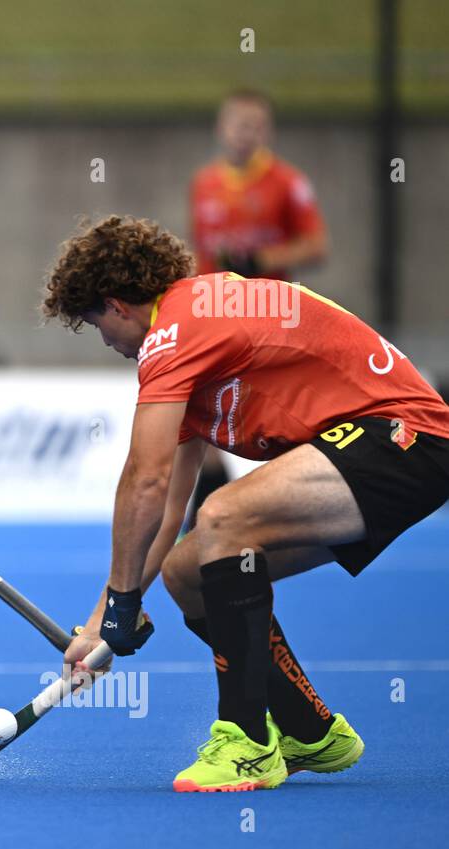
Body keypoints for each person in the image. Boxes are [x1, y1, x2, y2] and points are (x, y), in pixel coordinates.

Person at [46, 215, 449, 792]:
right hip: (370, 448)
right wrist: (107, 617)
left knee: (224, 518)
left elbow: (145, 479)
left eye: (96, 325)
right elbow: (164, 507)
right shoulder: (191, 335)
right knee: (188, 572)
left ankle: (248, 743)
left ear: (118, 305)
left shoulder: (176, 330)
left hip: (406, 437)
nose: (108, 342)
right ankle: (311, 731)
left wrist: (120, 605)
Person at [185, 88, 331, 527]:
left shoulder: (288, 183)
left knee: (279, 422)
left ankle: (289, 506)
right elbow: (201, 253)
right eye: (237, 125)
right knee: (199, 417)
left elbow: (316, 246)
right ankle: (200, 520)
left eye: (254, 126)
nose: (244, 135)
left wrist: (263, 261)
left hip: (270, 321)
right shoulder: (204, 183)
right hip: (215, 317)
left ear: (266, 131)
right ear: (221, 128)